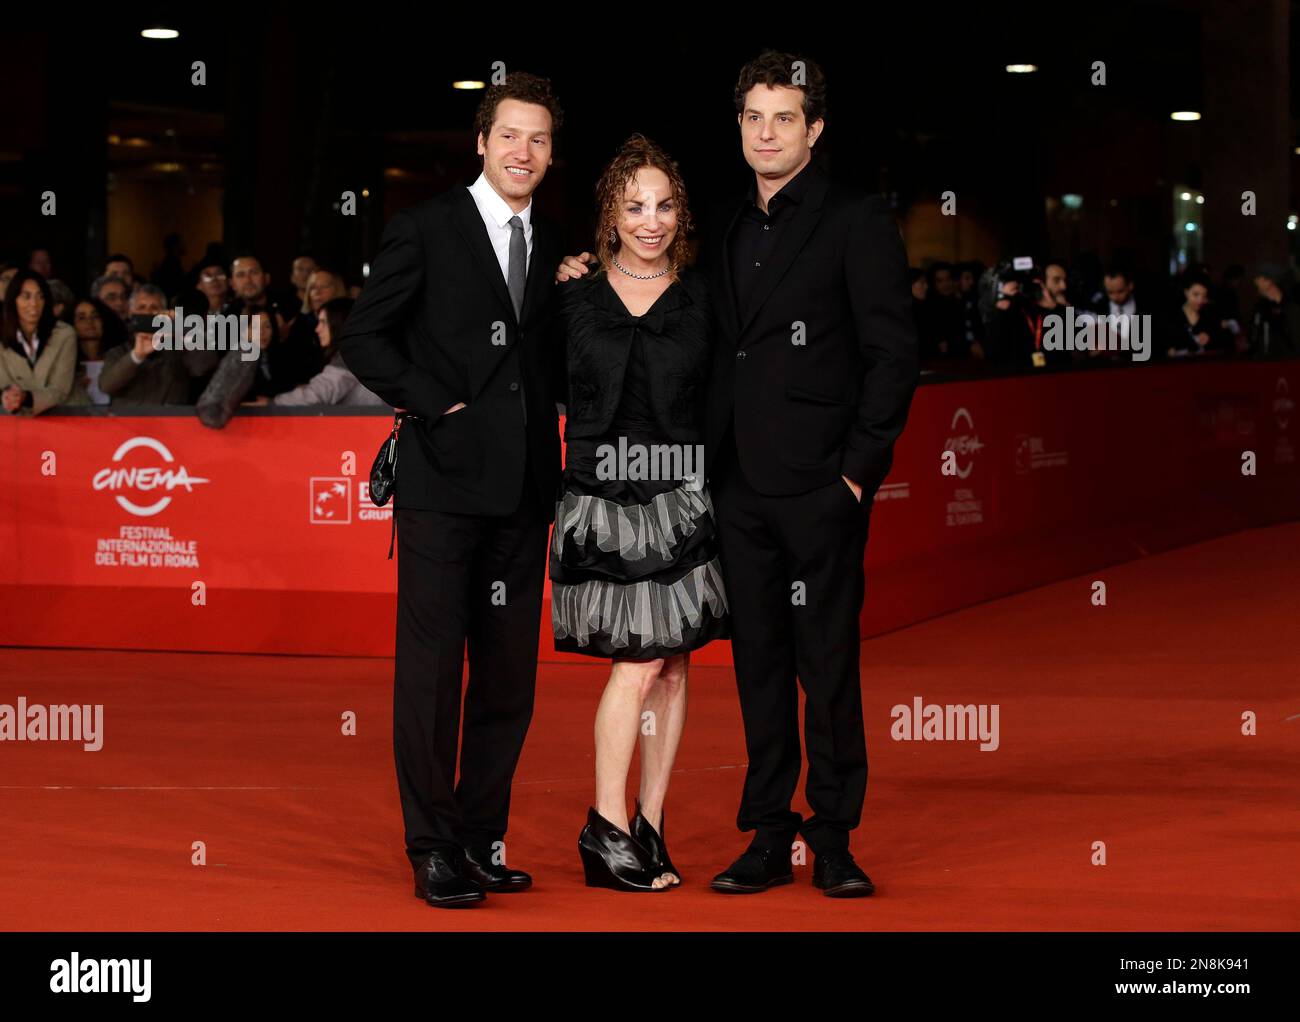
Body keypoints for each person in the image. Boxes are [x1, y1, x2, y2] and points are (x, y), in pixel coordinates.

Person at [340, 71, 566, 909]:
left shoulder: (554, 243)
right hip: (441, 488)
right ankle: (430, 846)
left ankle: (478, 839)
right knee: (432, 676)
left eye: (539, 139)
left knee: (508, 680)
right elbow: (365, 336)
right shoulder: (426, 228)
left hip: (524, 492)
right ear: (481, 141)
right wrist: (438, 401)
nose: (524, 151)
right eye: (510, 134)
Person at [552, 136, 727, 893]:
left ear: (680, 213)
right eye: (634, 206)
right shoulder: (571, 295)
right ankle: (605, 827)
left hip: (680, 497)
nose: (650, 220)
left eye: (663, 206)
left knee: (675, 660)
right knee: (639, 658)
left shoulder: (704, 298)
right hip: (601, 496)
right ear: (610, 215)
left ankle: (650, 822)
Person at [271, 298, 386, 406]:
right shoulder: (363, 352)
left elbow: (315, 394)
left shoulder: (351, 356)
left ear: (339, 323)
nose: (317, 329)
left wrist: (273, 402)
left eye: (323, 322)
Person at [0, 269, 79, 415]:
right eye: (26, 296)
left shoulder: (64, 335)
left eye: (40, 296)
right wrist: (10, 396)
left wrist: (26, 398)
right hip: (17, 422)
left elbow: (60, 390)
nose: (34, 304)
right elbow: (4, 386)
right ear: (13, 300)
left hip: (66, 419)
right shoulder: (2, 336)